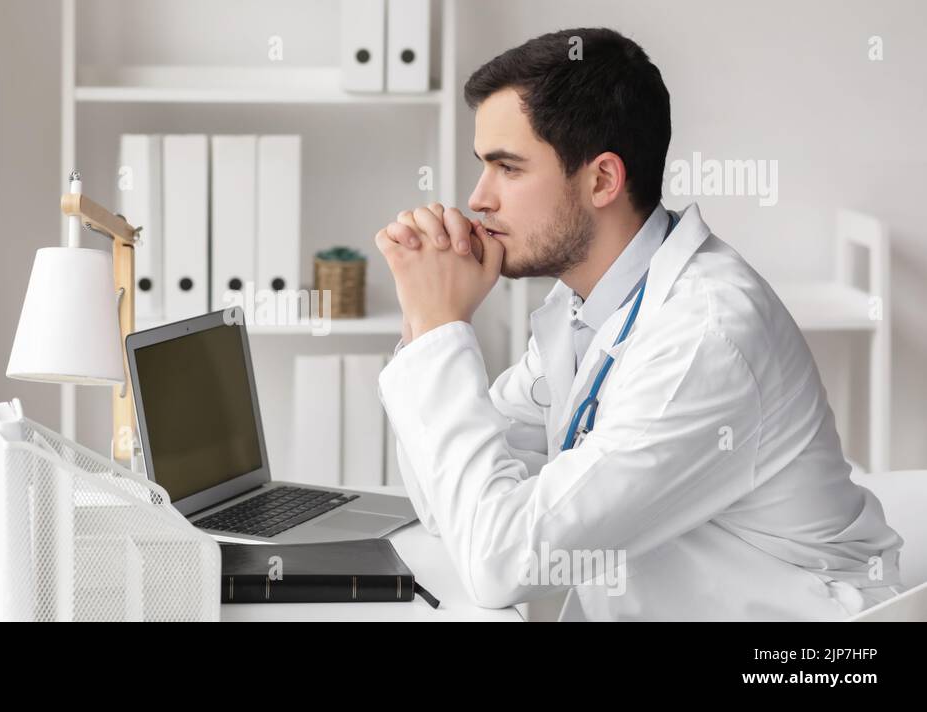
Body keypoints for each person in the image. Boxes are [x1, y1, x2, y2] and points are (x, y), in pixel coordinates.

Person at [373, 27, 903, 620]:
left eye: (508, 169)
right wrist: (425, 323)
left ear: (602, 179)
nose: (478, 198)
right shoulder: (588, 310)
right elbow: (450, 507)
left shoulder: (704, 336)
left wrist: (444, 330)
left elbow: (501, 563)